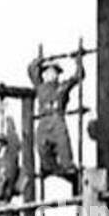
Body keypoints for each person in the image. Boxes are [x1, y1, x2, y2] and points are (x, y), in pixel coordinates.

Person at [28, 58, 84, 190]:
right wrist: (39, 61)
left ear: (58, 74)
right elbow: (31, 69)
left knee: (66, 158)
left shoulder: (61, 87)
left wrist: (78, 61)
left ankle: (75, 180)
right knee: (44, 155)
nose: (50, 75)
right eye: (46, 72)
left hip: (57, 119)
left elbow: (79, 76)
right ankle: (54, 169)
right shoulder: (40, 87)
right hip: (43, 121)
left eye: (53, 72)